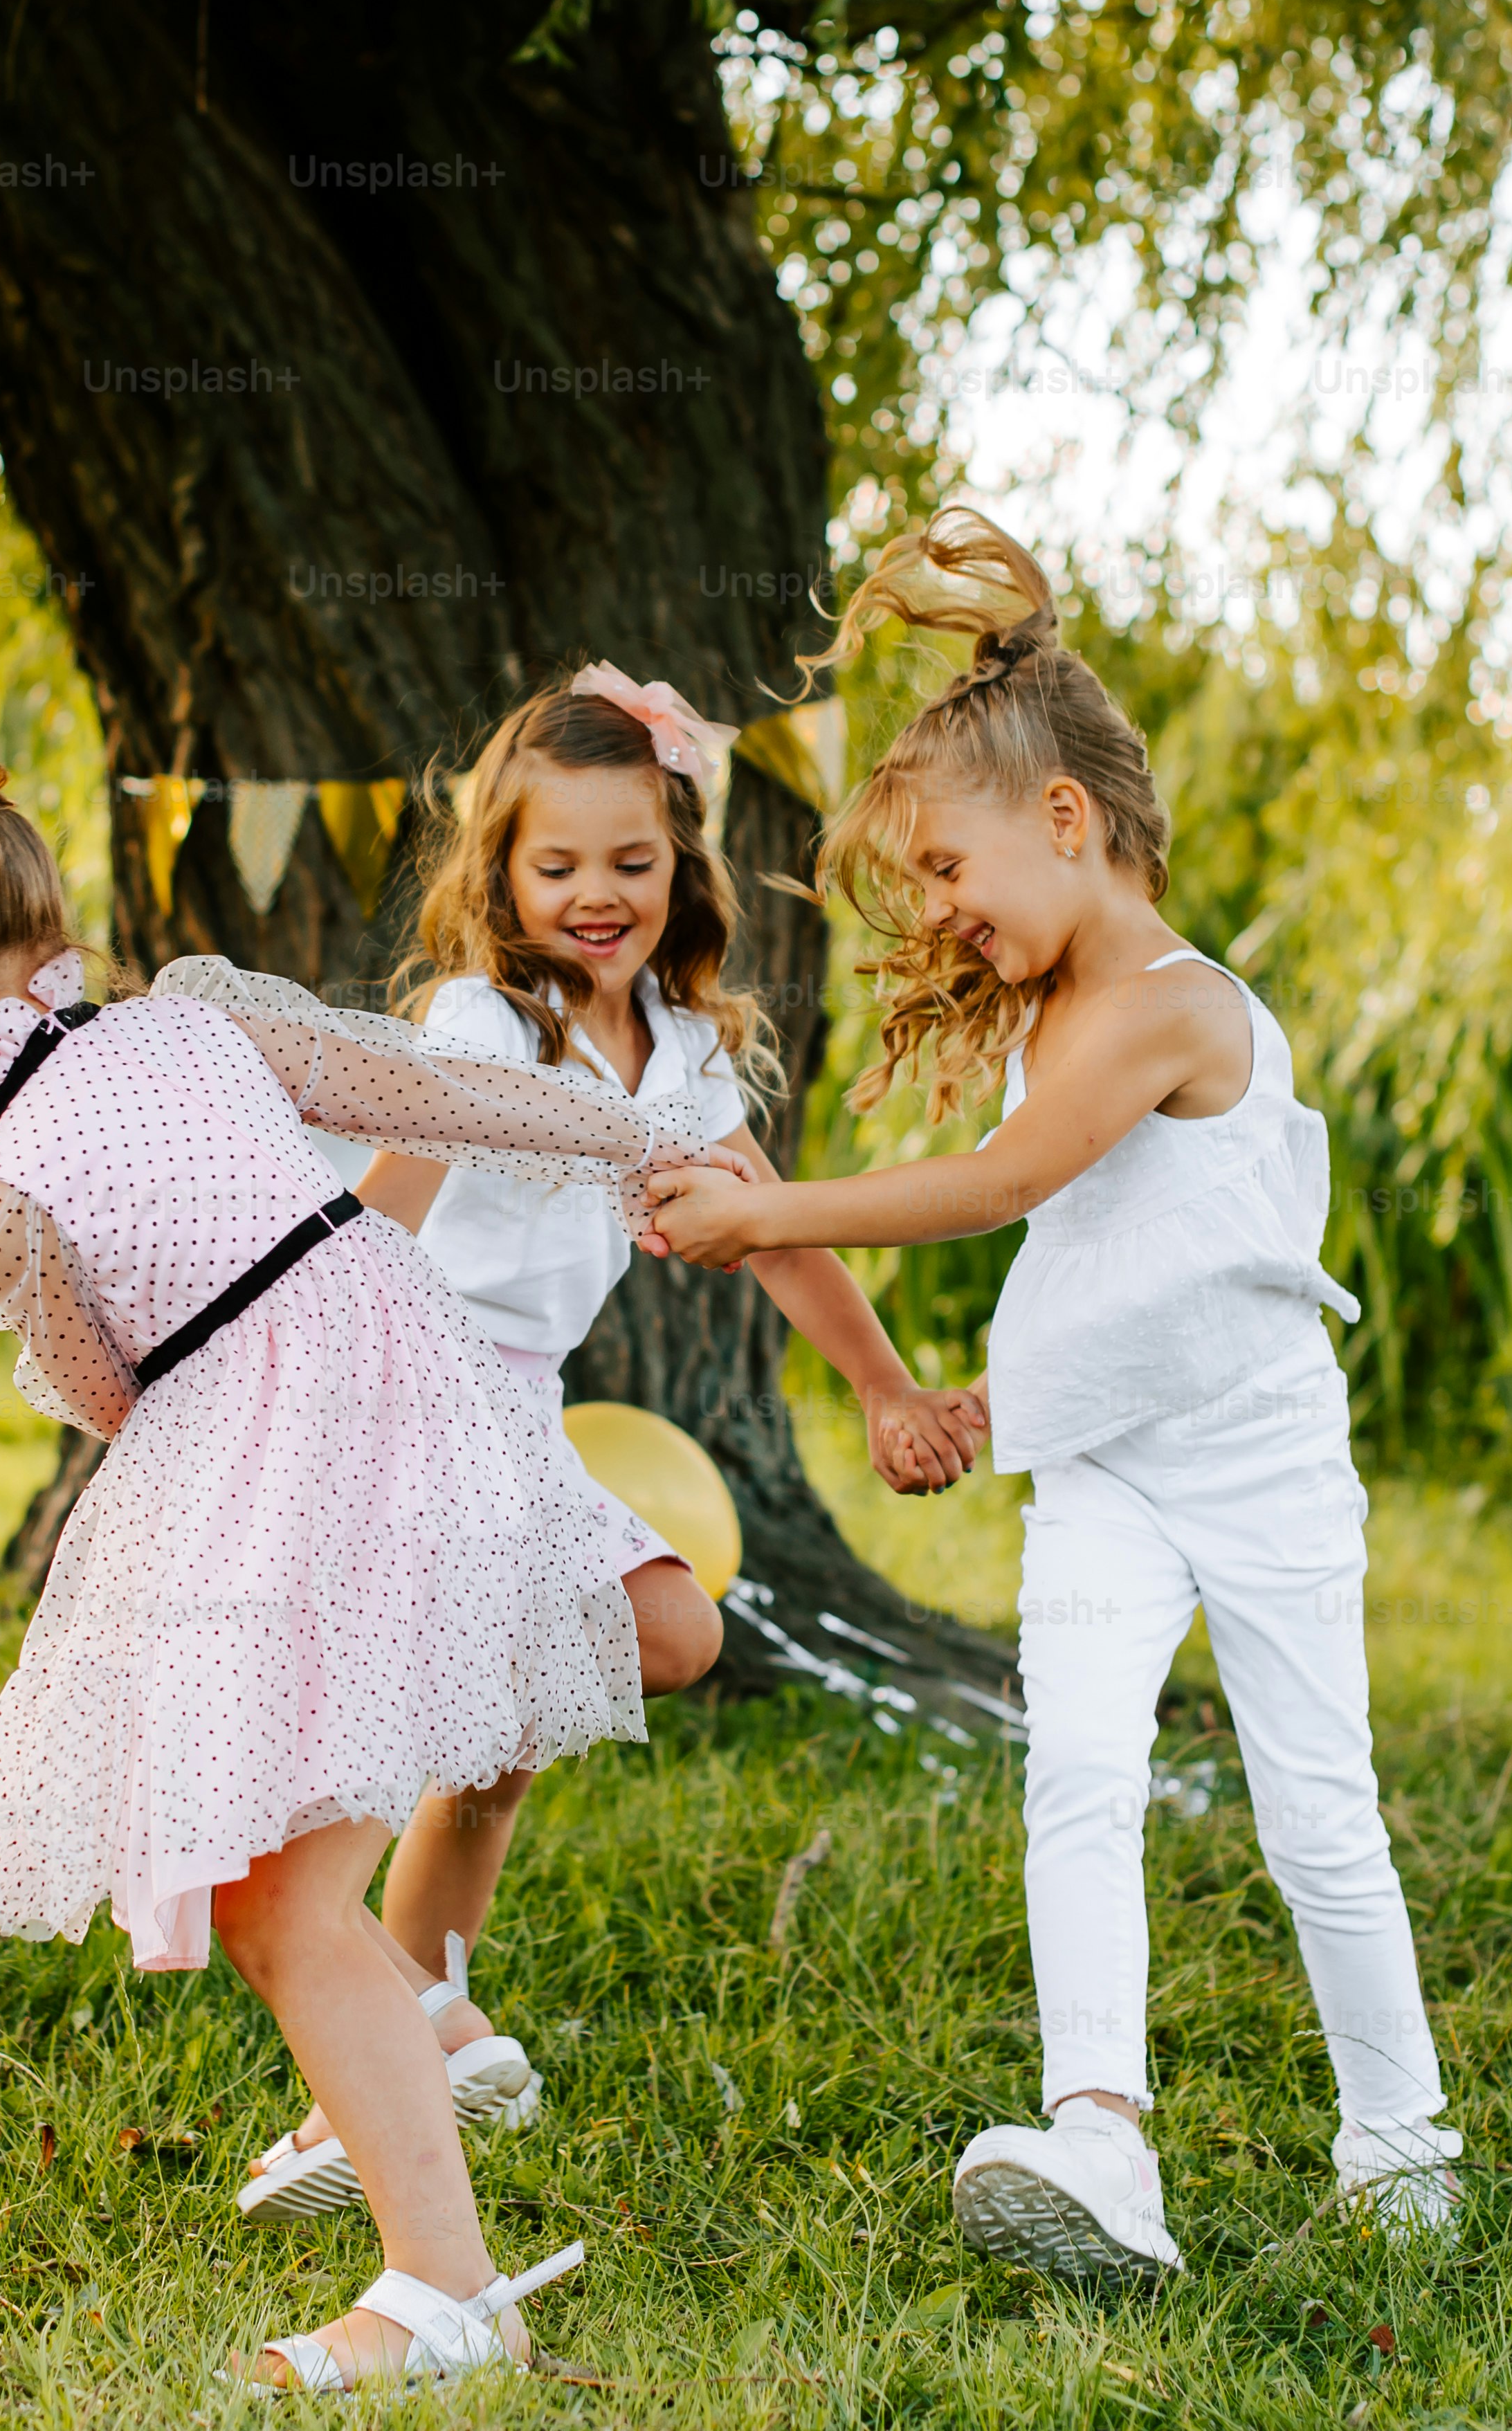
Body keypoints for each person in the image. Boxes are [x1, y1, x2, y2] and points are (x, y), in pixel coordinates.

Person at [0, 687, 709, 2387]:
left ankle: (441, 2283)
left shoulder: (1, 1195)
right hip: (420, 1409)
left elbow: (110, 1398)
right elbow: (434, 1094)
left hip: (287, 1466)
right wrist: (640, 1140)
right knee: (284, 1884)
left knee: (278, 1895)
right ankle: (430, 2160)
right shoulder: (196, 1018)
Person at [636, 510, 1460, 2279]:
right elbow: (1110, 1276)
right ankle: (1102, 2144)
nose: (938, 910)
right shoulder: (1056, 999)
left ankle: (1403, 2146)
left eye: (950, 869)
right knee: (1075, 1773)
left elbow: (1007, 1187)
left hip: (1261, 1472)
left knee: (1319, 1807)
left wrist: (769, 1208)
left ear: (1067, 822)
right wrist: (955, 1405)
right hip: (1104, 1474)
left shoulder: (1167, 1004)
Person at [234, 664, 987, 2223]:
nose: (596, 895)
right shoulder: (479, 1022)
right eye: (557, 865)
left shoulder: (675, 1042)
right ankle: (407, 2033)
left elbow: (775, 1232)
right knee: (404, 1751)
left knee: (599, 1681)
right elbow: (387, 1209)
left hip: (521, 1412)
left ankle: (385, 2048)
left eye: (631, 864)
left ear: (679, 868)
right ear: (499, 874)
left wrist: (888, 1385)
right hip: (411, 1399)